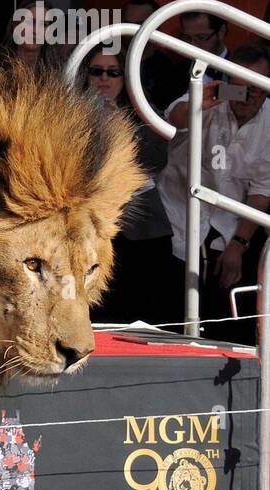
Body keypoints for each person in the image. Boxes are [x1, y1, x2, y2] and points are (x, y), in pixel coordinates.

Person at [157, 43, 270, 344]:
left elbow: (262, 190)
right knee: (167, 324)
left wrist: (239, 244)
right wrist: (197, 103)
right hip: (175, 221)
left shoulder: (269, 122)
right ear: (228, 82)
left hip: (227, 228)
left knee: (226, 327)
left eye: (257, 88)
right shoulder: (207, 95)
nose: (248, 96)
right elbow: (172, 117)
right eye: (241, 87)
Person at [82, 47, 174, 325]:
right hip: (92, 222)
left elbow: (156, 159)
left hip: (142, 225)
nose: (103, 79)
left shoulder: (142, 111)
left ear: (127, 77)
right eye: (96, 71)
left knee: (144, 311)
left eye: (113, 73)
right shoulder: (72, 111)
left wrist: (118, 124)